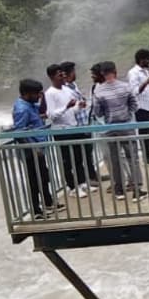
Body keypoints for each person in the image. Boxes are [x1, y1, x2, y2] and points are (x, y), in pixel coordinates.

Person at [92, 61, 147, 201]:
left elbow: (97, 112)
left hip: (109, 128)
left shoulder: (98, 91)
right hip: (126, 127)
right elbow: (135, 104)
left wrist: (108, 115)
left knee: (115, 159)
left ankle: (119, 191)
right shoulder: (125, 87)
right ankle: (136, 191)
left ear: (102, 74)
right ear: (115, 71)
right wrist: (127, 114)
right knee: (132, 158)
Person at [45, 63, 91, 198]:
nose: (62, 76)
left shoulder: (67, 90)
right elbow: (52, 115)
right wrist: (66, 106)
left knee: (78, 157)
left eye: (63, 74)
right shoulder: (50, 93)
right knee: (67, 159)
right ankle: (72, 187)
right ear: (52, 77)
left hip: (73, 126)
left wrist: (79, 107)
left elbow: (72, 110)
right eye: (59, 75)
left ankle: (82, 182)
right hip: (61, 130)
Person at [11, 78, 55, 218]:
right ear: (27, 93)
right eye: (36, 93)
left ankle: (48, 202)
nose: (38, 96)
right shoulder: (22, 109)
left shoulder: (30, 104)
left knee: (43, 176)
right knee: (34, 180)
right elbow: (19, 132)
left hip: (38, 147)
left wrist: (43, 98)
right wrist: (33, 149)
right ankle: (36, 210)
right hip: (31, 150)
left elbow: (42, 111)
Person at [61, 61, 99, 187]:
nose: (75, 73)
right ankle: (84, 179)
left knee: (87, 151)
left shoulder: (73, 85)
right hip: (76, 125)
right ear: (66, 74)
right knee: (80, 154)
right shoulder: (64, 89)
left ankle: (91, 175)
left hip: (83, 123)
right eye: (73, 72)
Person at [127, 49, 149, 166]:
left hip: (148, 105)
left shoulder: (145, 71)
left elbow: (146, 90)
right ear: (141, 60)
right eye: (147, 59)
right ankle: (147, 157)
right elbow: (135, 91)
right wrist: (147, 82)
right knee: (144, 131)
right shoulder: (133, 73)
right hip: (140, 107)